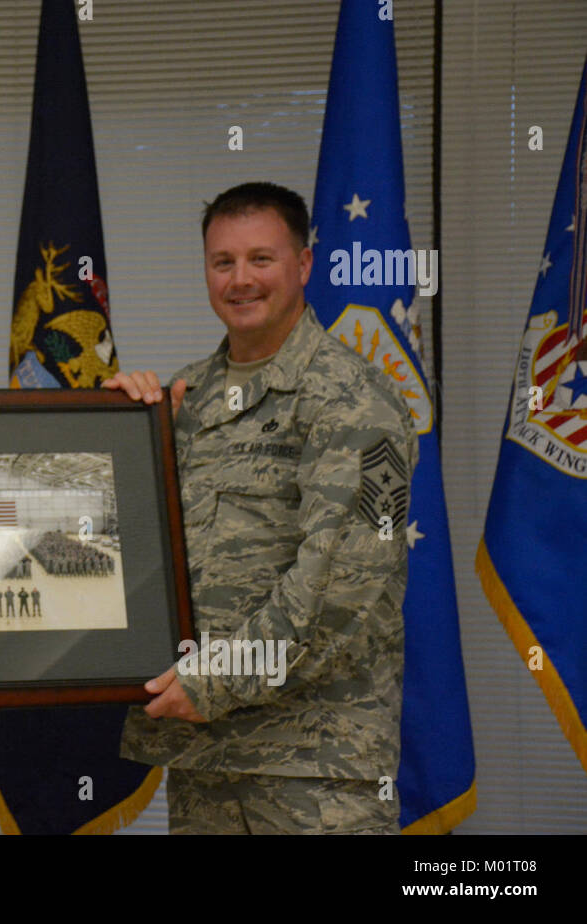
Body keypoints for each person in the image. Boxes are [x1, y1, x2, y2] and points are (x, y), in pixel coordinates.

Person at [105, 182, 417, 835]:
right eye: (223, 262)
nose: (241, 279)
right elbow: (118, 551)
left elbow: (343, 591)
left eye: (261, 259)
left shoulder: (357, 400)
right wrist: (107, 427)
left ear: (303, 266)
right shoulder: (185, 401)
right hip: (204, 766)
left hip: (316, 773)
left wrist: (215, 683)